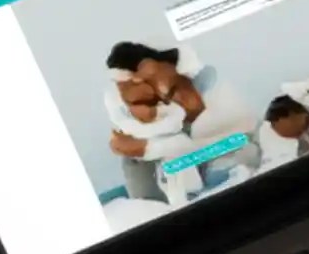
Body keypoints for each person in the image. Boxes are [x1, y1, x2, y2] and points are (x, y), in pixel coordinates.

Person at [105, 42, 257, 206]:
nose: (170, 104)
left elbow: (240, 142)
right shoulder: (166, 125)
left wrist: (149, 149)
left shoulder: (218, 88)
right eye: (161, 101)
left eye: (173, 90)